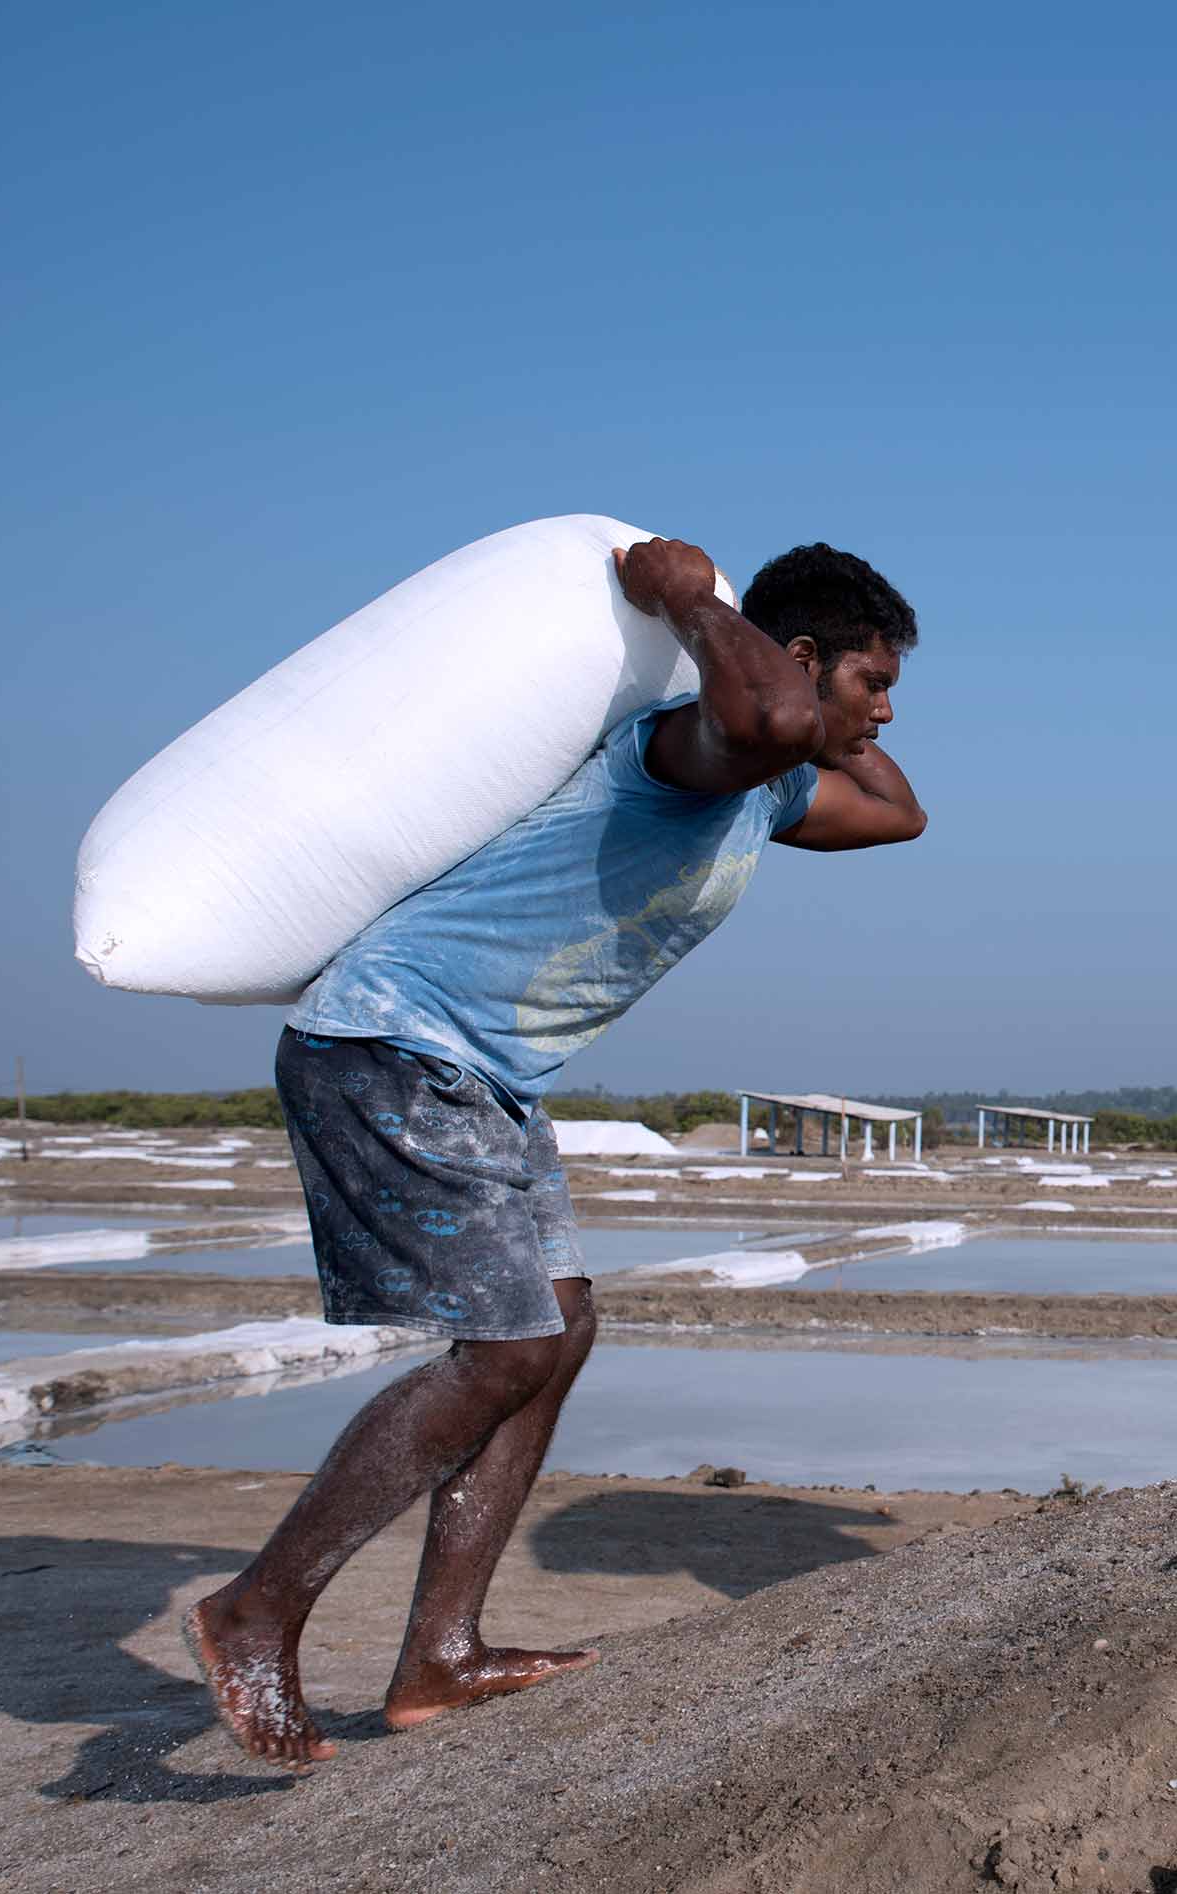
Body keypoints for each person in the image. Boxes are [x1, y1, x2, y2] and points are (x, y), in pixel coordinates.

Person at [184, 537, 929, 1763]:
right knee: (510, 1343)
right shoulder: (686, 753)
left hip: (488, 1076)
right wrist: (693, 600)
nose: (888, 707)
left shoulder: (772, 781)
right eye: (872, 679)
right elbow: (770, 711)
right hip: (388, 1042)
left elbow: (899, 813)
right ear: (795, 660)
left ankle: (439, 1656)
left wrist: (834, 725)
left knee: (560, 1329)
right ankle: (257, 1609)